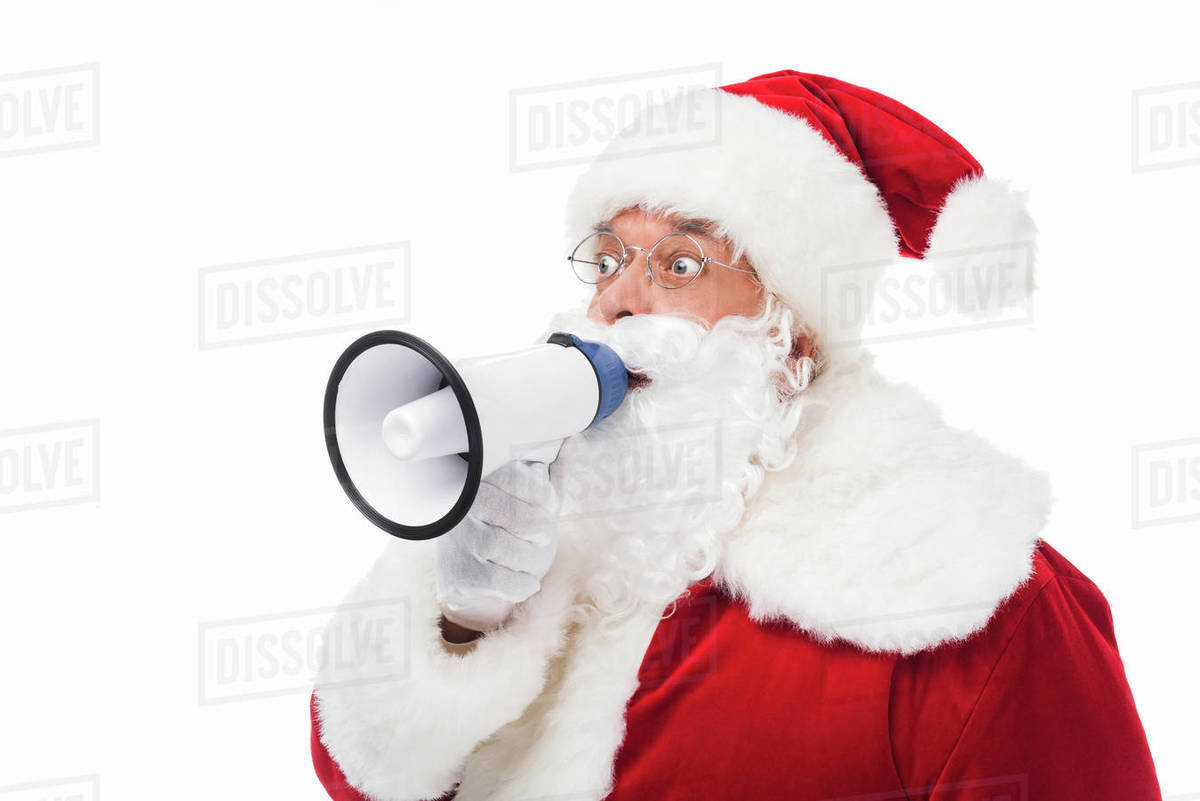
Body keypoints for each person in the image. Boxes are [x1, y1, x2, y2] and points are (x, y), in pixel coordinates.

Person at [310, 70, 1161, 801]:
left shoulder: (966, 596)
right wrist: (466, 622)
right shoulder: (548, 537)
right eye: (606, 260)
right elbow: (358, 778)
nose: (618, 301)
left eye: (680, 264)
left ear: (791, 339)